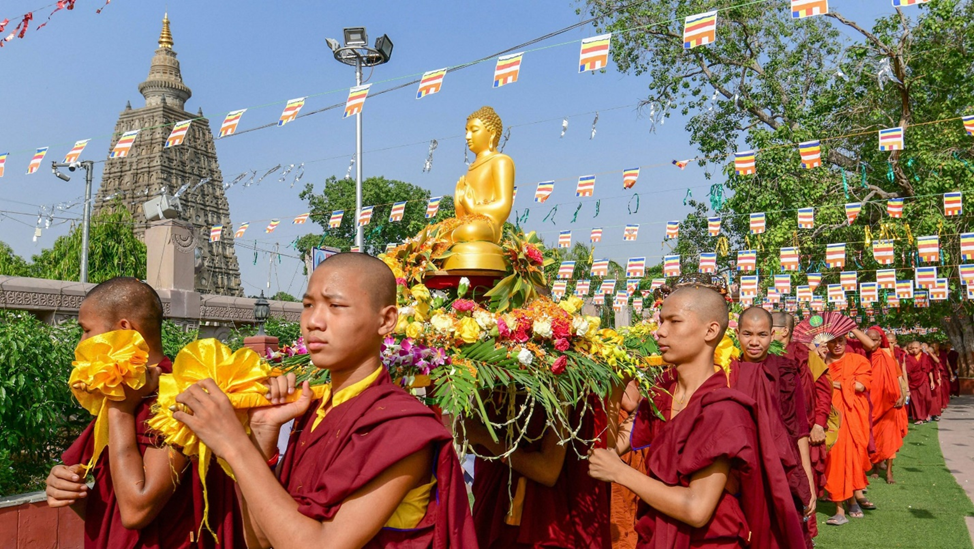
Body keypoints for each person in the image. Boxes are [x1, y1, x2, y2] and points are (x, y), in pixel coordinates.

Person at [169, 253, 477, 548]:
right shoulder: (313, 412)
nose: (313, 321)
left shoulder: (403, 428)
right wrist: (259, 439)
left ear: (386, 320)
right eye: (307, 305)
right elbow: (260, 540)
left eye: (335, 305)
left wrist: (234, 445)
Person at [589, 286, 805, 548]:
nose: (660, 332)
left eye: (674, 321)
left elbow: (697, 510)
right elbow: (607, 451)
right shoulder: (661, 397)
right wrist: (614, 392)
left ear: (711, 331)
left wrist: (621, 473)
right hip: (658, 535)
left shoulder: (723, 409)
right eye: (660, 321)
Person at [45, 277, 242, 548]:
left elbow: (136, 509)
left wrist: (121, 410)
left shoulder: (176, 399)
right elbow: (111, 513)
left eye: (87, 331)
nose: (81, 344)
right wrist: (72, 492)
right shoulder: (126, 396)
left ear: (124, 330)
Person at [466, 394, 611, 548]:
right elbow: (468, 434)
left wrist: (484, 437)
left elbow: (548, 471)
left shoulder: (561, 385)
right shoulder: (493, 379)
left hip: (540, 522)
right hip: (495, 509)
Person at [737, 307, 815, 547]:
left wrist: (808, 478)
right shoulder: (728, 371)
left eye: (761, 335)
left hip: (782, 466)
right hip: (742, 468)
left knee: (781, 533)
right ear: (737, 334)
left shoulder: (786, 370)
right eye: (747, 334)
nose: (754, 342)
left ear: (772, 335)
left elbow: (800, 428)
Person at [773, 312, 832, 541]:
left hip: (803, 432)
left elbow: (824, 391)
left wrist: (819, 423)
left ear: (783, 331)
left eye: (770, 328)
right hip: (776, 433)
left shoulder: (805, 355)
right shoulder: (761, 357)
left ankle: (805, 536)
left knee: (804, 488)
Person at [823, 334, 874, 526]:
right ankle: (840, 508)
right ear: (826, 342)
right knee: (834, 459)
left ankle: (852, 500)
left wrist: (833, 383)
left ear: (846, 342)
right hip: (830, 416)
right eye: (832, 342)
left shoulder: (857, 360)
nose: (837, 345)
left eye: (841, 341)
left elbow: (861, 386)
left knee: (851, 458)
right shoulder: (819, 360)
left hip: (852, 418)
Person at [864, 327, 905, 484]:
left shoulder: (887, 357)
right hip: (870, 405)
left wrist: (902, 394)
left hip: (888, 404)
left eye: (875, 340)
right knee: (873, 438)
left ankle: (889, 472)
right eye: (869, 339)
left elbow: (898, 376)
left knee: (889, 439)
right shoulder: (861, 356)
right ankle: (875, 467)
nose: (872, 343)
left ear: (880, 341)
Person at [905, 341, 935, 425]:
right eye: (912, 348)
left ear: (920, 348)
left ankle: (926, 414)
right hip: (913, 381)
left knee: (927, 398)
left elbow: (929, 370)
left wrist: (932, 381)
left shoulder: (925, 356)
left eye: (916, 348)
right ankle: (919, 418)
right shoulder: (909, 358)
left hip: (924, 379)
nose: (914, 350)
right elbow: (906, 372)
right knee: (916, 400)